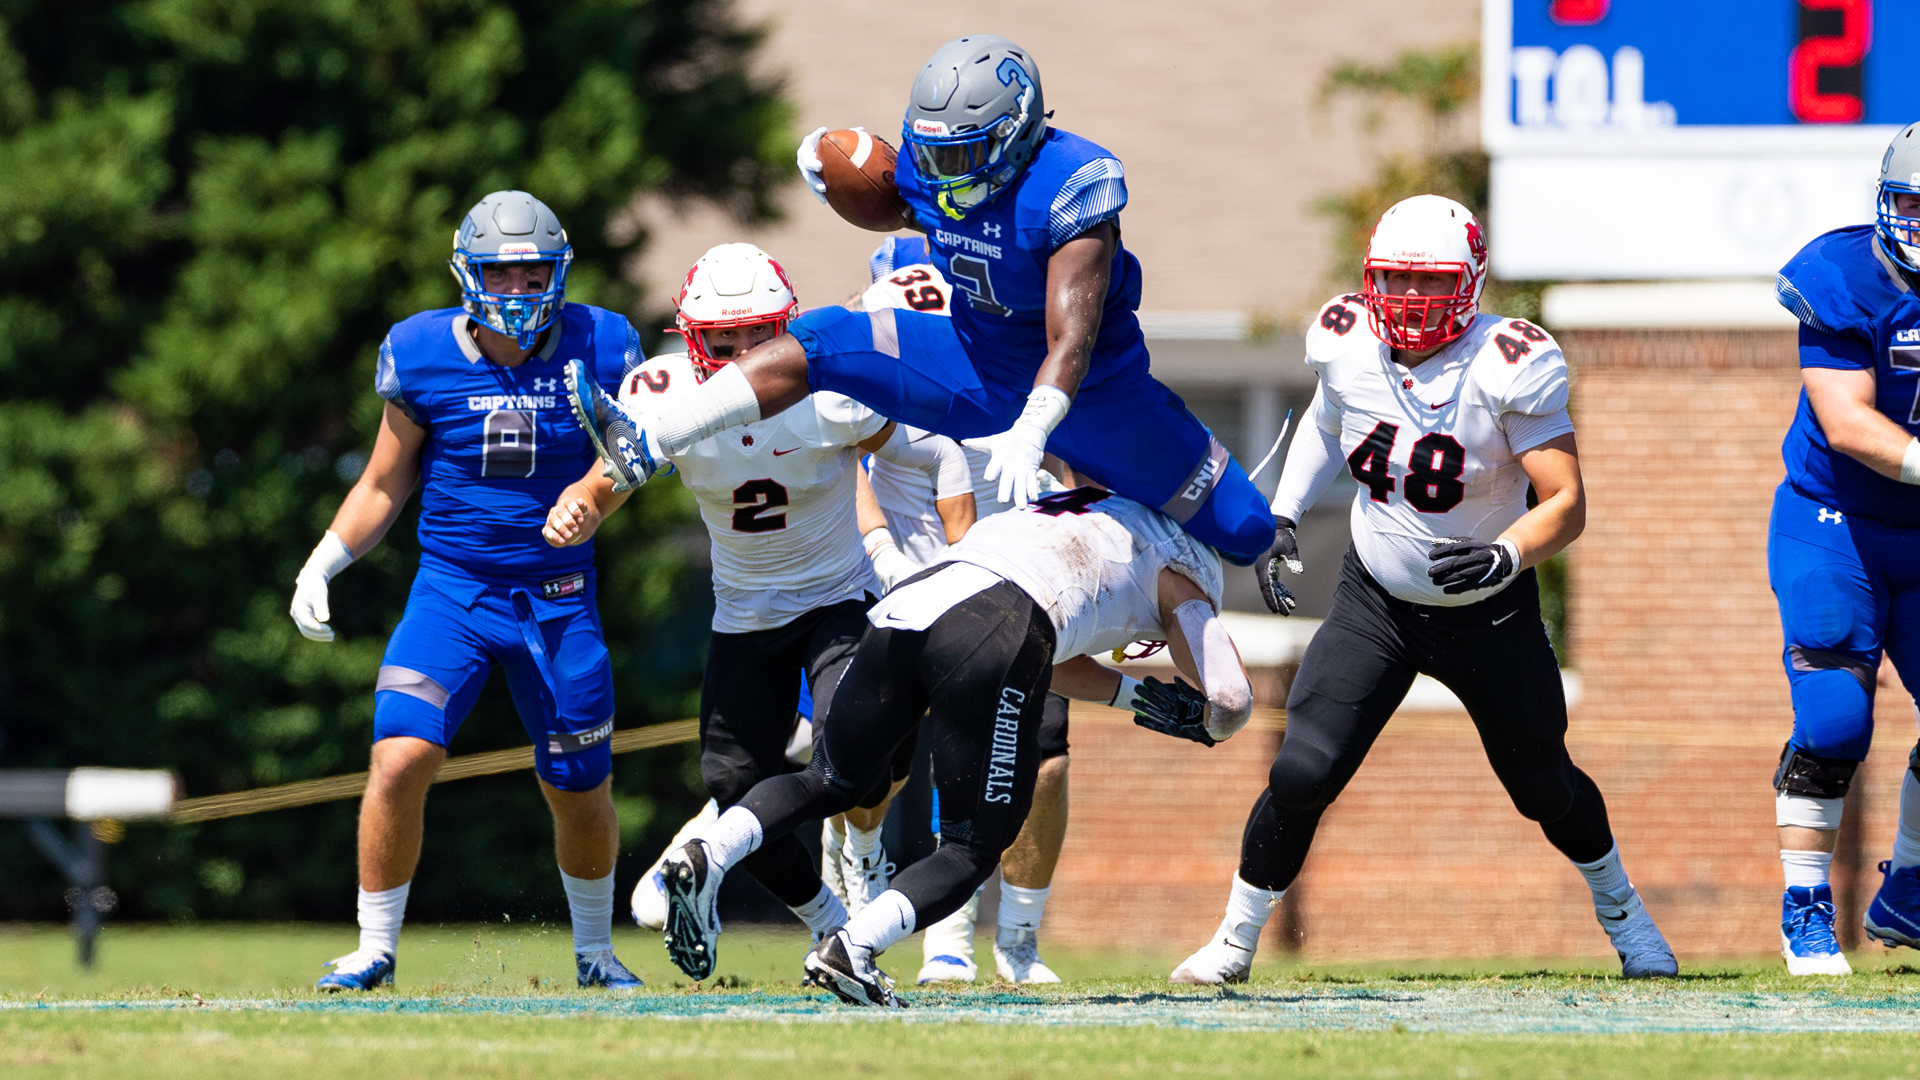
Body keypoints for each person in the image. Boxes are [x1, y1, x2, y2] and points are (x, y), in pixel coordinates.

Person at [1170, 195, 1678, 985]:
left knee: (1543, 785)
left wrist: (1506, 556)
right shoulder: (1345, 339)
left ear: (1470, 282)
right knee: (1302, 769)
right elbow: (1328, 419)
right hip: (1378, 600)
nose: (1407, 299)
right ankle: (1233, 943)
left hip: (1490, 610)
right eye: (1395, 279)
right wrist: (1285, 513)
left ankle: (1629, 921)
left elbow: (1567, 502)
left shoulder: (1511, 361)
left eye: (1427, 282)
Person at [563, 34, 1273, 569]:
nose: (936, 173)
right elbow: (908, 206)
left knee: (1248, 532)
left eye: (959, 156)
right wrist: (839, 171)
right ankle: (646, 442)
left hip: (1091, 392)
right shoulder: (938, 162)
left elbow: (1071, 340)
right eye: (930, 154)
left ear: (1016, 134)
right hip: (968, 361)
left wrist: (1030, 431)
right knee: (819, 342)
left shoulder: (1072, 185)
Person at [654, 485, 1255, 1006]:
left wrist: (1137, 699)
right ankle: (851, 949)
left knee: (829, 779)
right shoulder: (1187, 560)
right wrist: (1208, 722)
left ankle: (710, 848)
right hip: (998, 623)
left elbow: (1057, 652)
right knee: (972, 847)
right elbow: (1229, 700)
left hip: (913, 603)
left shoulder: (1098, 512)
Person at [547, 243, 974, 944]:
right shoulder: (663, 392)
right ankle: (828, 923)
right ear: (692, 339)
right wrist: (580, 508)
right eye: (725, 338)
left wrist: (958, 554)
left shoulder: (832, 388)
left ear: (788, 327)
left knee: (856, 765)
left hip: (840, 602)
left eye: (759, 334)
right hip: (744, 616)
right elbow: (606, 480)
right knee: (732, 787)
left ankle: (850, 871)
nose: (744, 351)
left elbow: (933, 450)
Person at [288, 191, 642, 991]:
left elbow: (638, 451)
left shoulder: (605, 342)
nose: (517, 288)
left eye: (532, 271)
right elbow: (384, 482)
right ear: (467, 274)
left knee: (578, 789)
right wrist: (324, 561)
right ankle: (373, 946)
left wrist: (592, 495)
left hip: (558, 597)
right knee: (399, 757)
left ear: (559, 272)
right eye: (500, 271)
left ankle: (593, 952)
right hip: (452, 593)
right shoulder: (419, 352)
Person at [855, 236, 1073, 984]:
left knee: (1041, 765)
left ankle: (1013, 938)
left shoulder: (1019, 350)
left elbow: (1077, 460)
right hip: (908, 596)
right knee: (869, 780)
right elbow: (837, 463)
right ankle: (875, 892)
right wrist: (882, 558)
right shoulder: (873, 382)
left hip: (1022, 585)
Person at [1768, 124, 1920, 975]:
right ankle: (1805, 903)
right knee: (1834, 718)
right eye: (1918, 208)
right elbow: (1847, 421)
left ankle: (1909, 887)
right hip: (1837, 525)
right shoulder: (1844, 275)